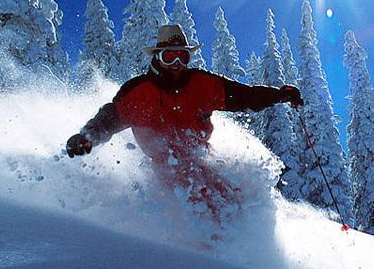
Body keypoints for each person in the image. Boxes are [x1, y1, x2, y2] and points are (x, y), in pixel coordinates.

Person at [66, 24, 303, 222]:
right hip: (166, 168)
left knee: (234, 201)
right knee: (198, 206)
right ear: (157, 57)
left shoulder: (201, 84)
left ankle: (246, 245)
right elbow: (110, 118)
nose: (178, 63)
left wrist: (279, 95)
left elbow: (245, 96)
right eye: (170, 56)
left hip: (202, 157)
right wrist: (88, 136)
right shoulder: (140, 92)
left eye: (183, 56)